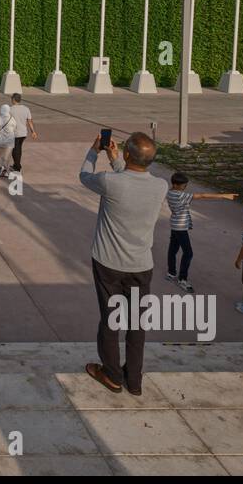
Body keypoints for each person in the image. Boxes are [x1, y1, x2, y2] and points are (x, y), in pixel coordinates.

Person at [79, 131, 167, 396]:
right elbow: (131, 180)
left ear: (127, 154)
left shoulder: (109, 182)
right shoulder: (160, 186)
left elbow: (85, 176)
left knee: (110, 321)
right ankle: (134, 380)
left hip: (109, 264)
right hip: (141, 266)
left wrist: (95, 151)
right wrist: (117, 158)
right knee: (137, 324)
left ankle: (112, 375)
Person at [164, 172, 237, 293]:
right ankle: (182, 279)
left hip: (174, 225)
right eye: (183, 186)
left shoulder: (170, 193)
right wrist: (224, 195)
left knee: (173, 250)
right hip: (181, 228)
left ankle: (171, 273)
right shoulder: (180, 195)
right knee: (188, 253)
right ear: (176, 184)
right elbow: (202, 195)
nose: (185, 188)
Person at [7, 93, 37, 173]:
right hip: (23, 133)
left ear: (13, 100)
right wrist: (33, 132)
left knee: (14, 150)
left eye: (11, 99)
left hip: (15, 133)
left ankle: (17, 167)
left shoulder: (10, 109)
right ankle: (16, 165)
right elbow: (29, 121)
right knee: (18, 149)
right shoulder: (26, 109)